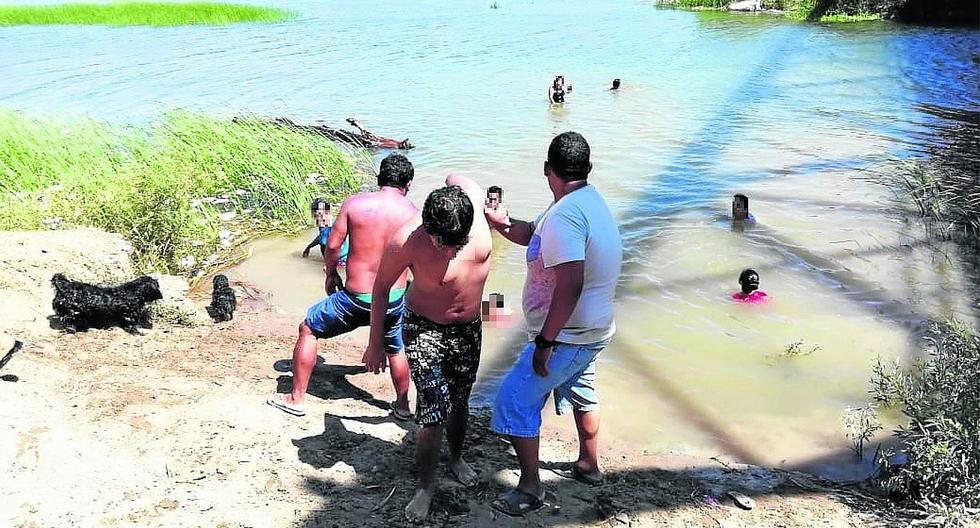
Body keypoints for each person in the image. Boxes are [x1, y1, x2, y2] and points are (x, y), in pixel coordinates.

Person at [486, 132, 623, 516]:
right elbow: (533, 233)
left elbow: (572, 282)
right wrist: (502, 223)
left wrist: (546, 342)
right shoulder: (584, 201)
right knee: (582, 390)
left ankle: (530, 490)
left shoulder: (565, 214)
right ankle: (588, 465)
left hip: (569, 335)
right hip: (593, 330)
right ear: (588, 170)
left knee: (514, 402)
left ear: (548, 169)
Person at [363, 176, 493, 523]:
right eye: (444, 246)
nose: (453, 252)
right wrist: (375, 342)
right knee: (433, 410)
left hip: (469, 328)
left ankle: (455, 458)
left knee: (460, 402)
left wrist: (496, 210)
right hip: (424, 329)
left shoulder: (474, 216)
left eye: (459, 243)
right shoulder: (406, 240)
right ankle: (425, 487)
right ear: (427, 228)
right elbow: (379, 291)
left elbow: (460, 179)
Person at [267, 154, 418, 418]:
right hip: (393, 299)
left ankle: (296, 398)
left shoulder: (355, 204)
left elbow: (333, 245)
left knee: (308, 328)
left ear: (379, 178)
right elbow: (418, 261)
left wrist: (331, 276)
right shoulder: (415, 214)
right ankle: (403, 408)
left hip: (355, 299)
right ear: (408, 185)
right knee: (396, 348)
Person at [302, 198, 350, 264]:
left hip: (341, 262)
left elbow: (331, 244)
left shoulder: (334, 226)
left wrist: (329, 266)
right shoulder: (323, 226)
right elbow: (321, 237)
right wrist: (309, 247)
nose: (319, 218)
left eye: (322, 215)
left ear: (329, 213)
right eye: (316, 215)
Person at [346, 117, 414, 149]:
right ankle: (361, 127)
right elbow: (384, 142)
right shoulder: (396, 144)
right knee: (368, 137)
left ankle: (361, 127)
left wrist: (376, 143)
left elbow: (383, 143)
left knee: (368, 138)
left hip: (378, 142)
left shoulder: (396, 145)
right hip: (378, 142)